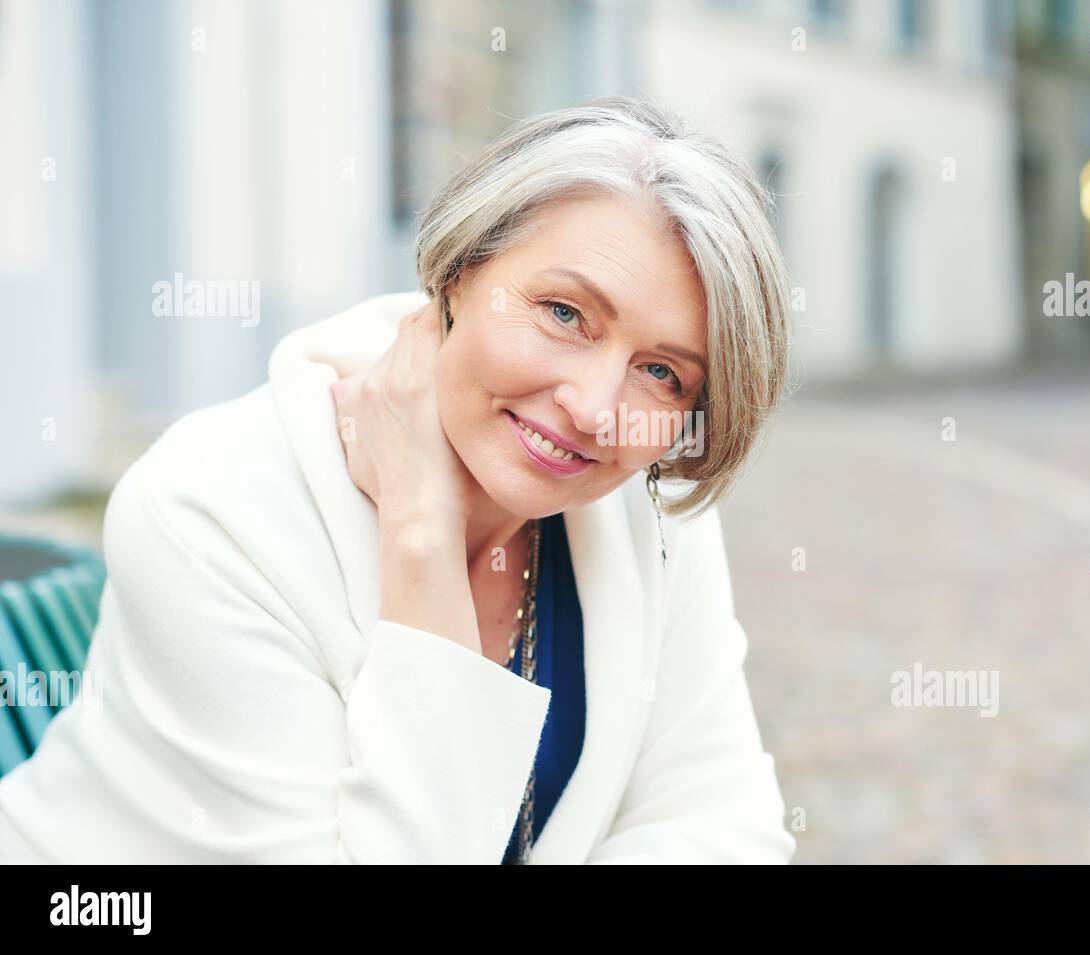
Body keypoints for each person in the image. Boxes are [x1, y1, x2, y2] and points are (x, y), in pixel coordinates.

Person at [0, 95, 795, 863]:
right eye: (563, 312)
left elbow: (723, 824)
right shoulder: (210, 512)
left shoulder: (646, 512)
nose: (594, 408)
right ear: (460, 270)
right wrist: (422, 535)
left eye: (661, 371)